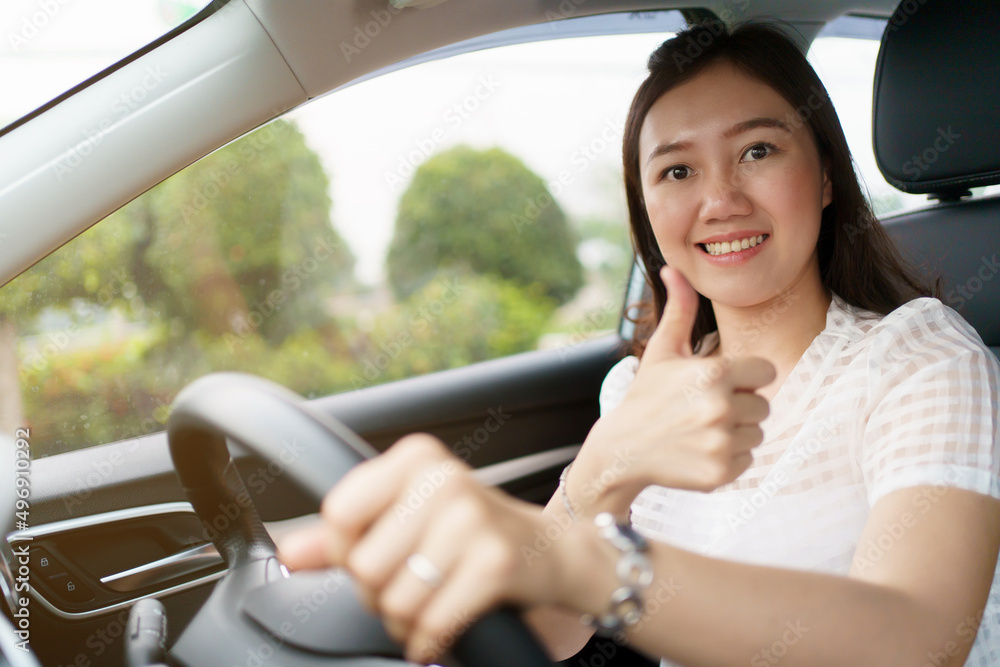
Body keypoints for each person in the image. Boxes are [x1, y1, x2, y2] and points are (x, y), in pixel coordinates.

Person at [279, 20, 1000, 667]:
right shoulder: (637, 391)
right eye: (678, 170)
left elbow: (918, 638)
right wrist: (606, 465)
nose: (720, 200)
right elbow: (544, 637)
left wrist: (593, 564)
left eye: (757, 150)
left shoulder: (921, 359)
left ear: (822, 180)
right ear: (649, 212)